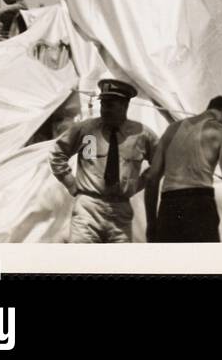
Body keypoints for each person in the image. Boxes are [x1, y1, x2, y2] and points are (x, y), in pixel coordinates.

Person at [49, 78, 157, 243]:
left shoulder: (141, 135)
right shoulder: (86, 130)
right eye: (103, 103)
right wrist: (71, 183)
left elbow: (159, 163)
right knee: (81, 264)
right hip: (88, 209)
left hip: (121, 213)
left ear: (124, 105)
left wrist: (138, 184)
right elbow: (58, 153)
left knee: (119, 266)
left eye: (110, 104)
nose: (104, 109)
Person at [145, 96, 222, 243]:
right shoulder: (221, 132)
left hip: (169, 205)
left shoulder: (172, 129)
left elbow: (151, 178)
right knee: (203, 263)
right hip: (200, 204)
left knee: (170, 263)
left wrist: (151, 223)